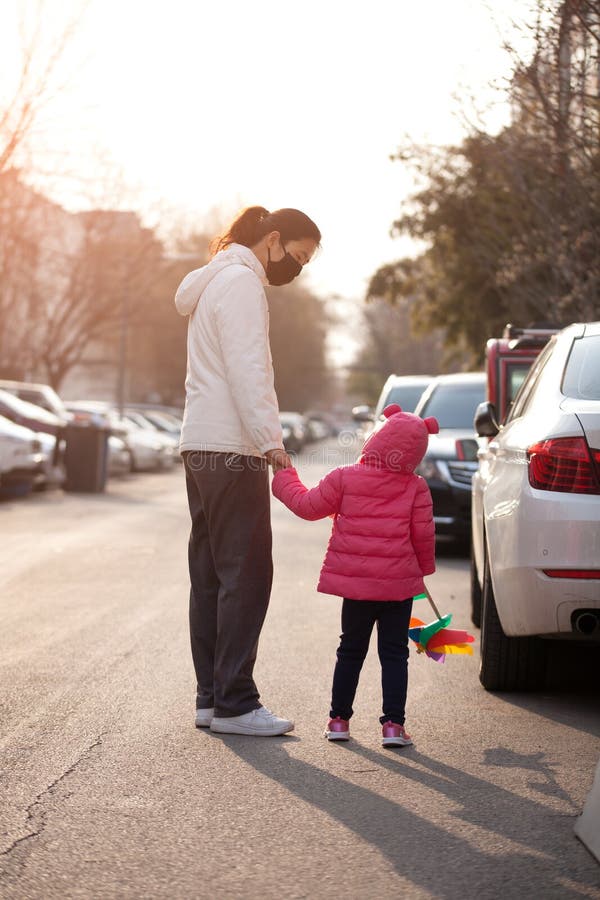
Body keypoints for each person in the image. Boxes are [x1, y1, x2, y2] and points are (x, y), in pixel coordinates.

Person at [175, 206, 321, 737]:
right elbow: (248, 369)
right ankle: (236, 702)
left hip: (200, 445)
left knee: (212, 576)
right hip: (232, 447)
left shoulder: (213, 281)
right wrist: (271, 443)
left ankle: (212, 699)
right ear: (273, 240)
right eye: (298, 257)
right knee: (248, 574)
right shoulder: (242, 283)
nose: (297, 269)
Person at [271, 404, 438, 747]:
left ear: (377, 438)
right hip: (398, 589)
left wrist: (285, 477)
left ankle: (339, 721)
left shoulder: (345, 477)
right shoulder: (416, 487)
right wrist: (422, 570)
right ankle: (393, 726)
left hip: (357, 590)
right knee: (394, 655)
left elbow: (307, 506)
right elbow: (423, 535)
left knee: (350, 650)